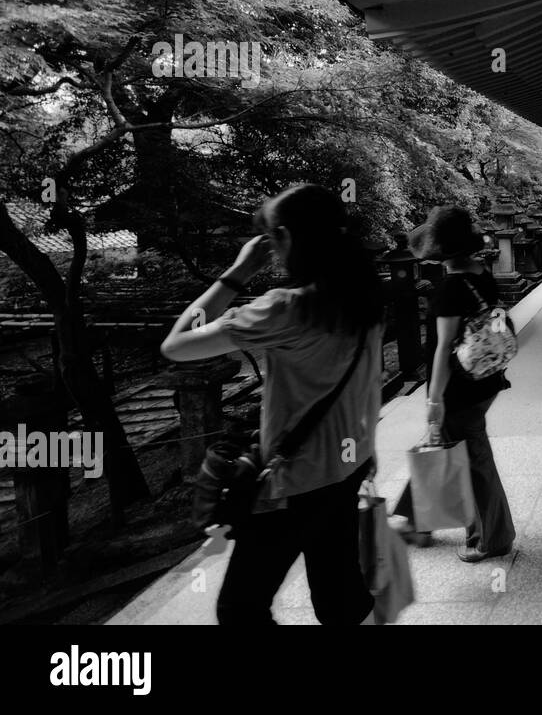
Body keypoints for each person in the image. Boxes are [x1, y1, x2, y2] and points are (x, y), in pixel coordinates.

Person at [160, 183, 385, 624]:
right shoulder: (365, 296)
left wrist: (235, 274)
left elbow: (177, 345)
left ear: (286, 237)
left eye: (274, 236)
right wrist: (366, 448)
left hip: (291, 482)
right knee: (339, 593)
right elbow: (369, 384)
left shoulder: (284, 308)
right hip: (347, 464)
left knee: (240, 607)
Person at [393, 205, 514, 562]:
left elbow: (444, 347)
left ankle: (493, 538)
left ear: (439, 252)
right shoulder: (482, 275)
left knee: (472, 459)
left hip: (458, 389)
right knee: (446, 444)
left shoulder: (448, 289)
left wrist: (433, 401)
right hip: (486, 378)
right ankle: (414, 521)